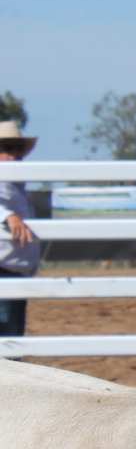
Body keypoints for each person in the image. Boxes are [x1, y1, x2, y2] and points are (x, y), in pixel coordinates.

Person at [0, 120, 44, 340]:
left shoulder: (18, 186)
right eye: (7, 149)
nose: (13, 155)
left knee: (12, 338)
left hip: (16, 271)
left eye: (17, 149)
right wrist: (7, 215)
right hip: (3, 270)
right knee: (8, 338)